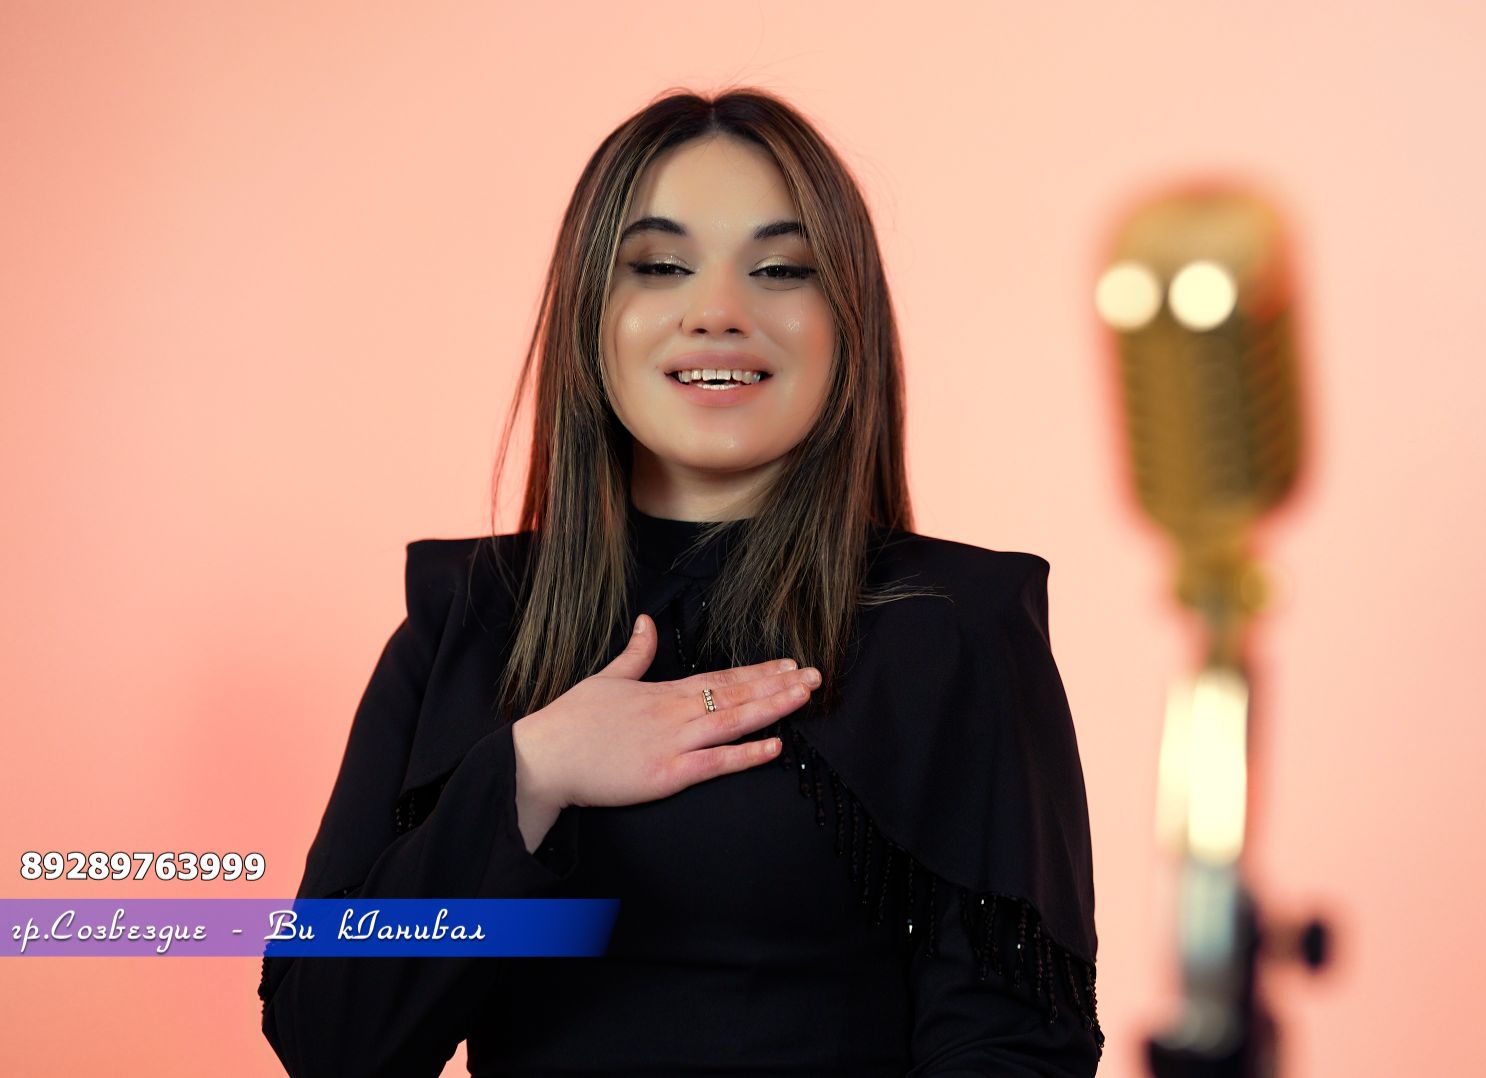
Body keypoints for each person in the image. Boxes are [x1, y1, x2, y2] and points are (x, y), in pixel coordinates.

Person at [257, 87, 1103, 1076]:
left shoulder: (958, 627)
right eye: (661, 267)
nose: (717, 313)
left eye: (780, 270)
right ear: (591, 316)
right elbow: (329, 1041)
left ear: (849, 321)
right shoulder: (465, 620)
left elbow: (1012, 1047)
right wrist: (533, 772)